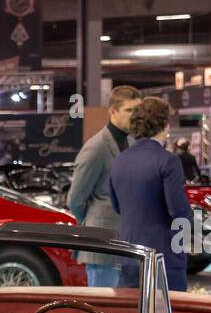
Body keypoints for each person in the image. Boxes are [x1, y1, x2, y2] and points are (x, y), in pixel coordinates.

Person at [109, 96, 195, 292]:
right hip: (163, 255)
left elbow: (117, 206)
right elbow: (178, 212)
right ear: (164, 124)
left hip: (128, 253)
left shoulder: (119, 160)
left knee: (131, 310)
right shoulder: (168, 161)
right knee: (169, 310)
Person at [66, 85, 141, 286]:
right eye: (129, 110)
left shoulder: (133, 143)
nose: (134, 115)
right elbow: (75, 200)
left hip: (128, 244)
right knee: (103, 304)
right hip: (102, 245)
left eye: (137, 110)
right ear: (113, 112)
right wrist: (95, 222)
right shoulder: (95, 148)